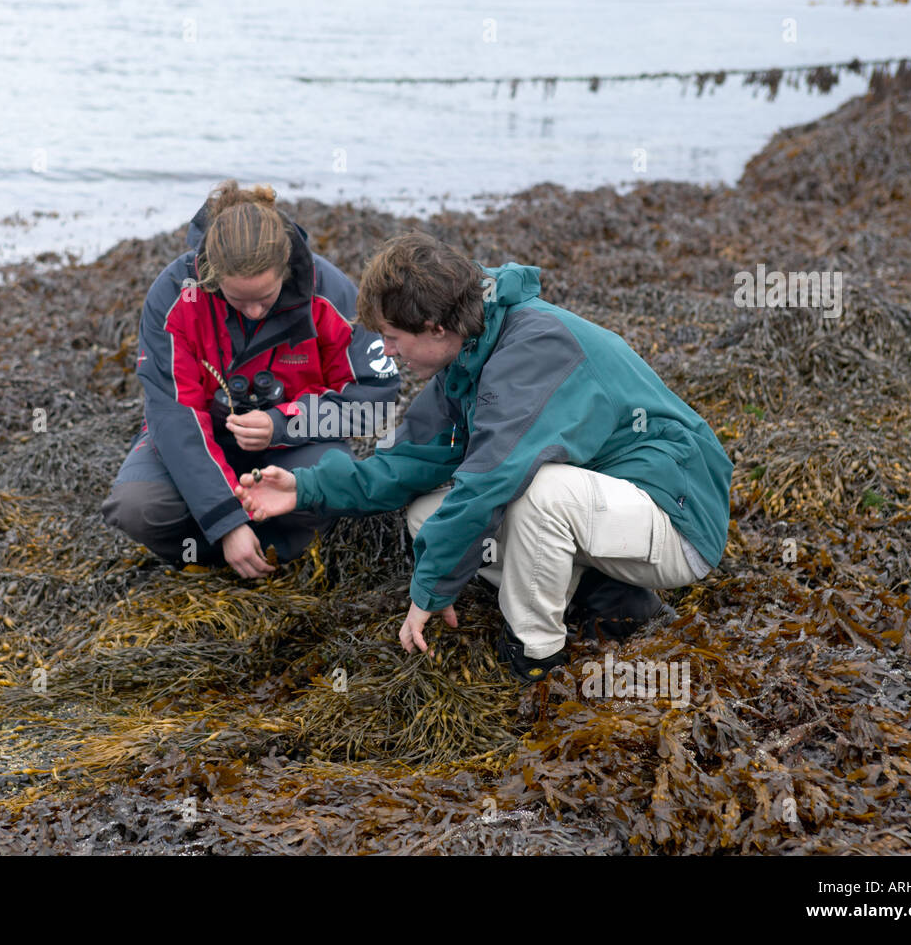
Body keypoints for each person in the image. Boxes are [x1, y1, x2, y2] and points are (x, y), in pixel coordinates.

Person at [235, 232, 733, 682]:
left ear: (433, 327)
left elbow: (489, 481)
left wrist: (429, 590)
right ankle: (606, 596)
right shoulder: (470, 351)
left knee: (537, 492)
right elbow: (410, 462)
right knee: (425, 515)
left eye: (390, 336)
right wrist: (306, 487)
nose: (386, 351)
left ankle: (537, 657)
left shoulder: (531, 348)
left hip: (677, 517)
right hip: (608, 508)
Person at [101, 181, 400, 578]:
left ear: (285, 268)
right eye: (239, 300)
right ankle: (225, 547)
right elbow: (174, 417)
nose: (256, 311)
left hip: (296, 446)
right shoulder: (175, 297)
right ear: (212, 275)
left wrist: (282, 423)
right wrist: (226, 521)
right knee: (136, 507)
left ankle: (272, 553)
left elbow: (373, 406)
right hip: (202, 442)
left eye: (266, 296)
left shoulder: (330, 293)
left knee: (335, 483)